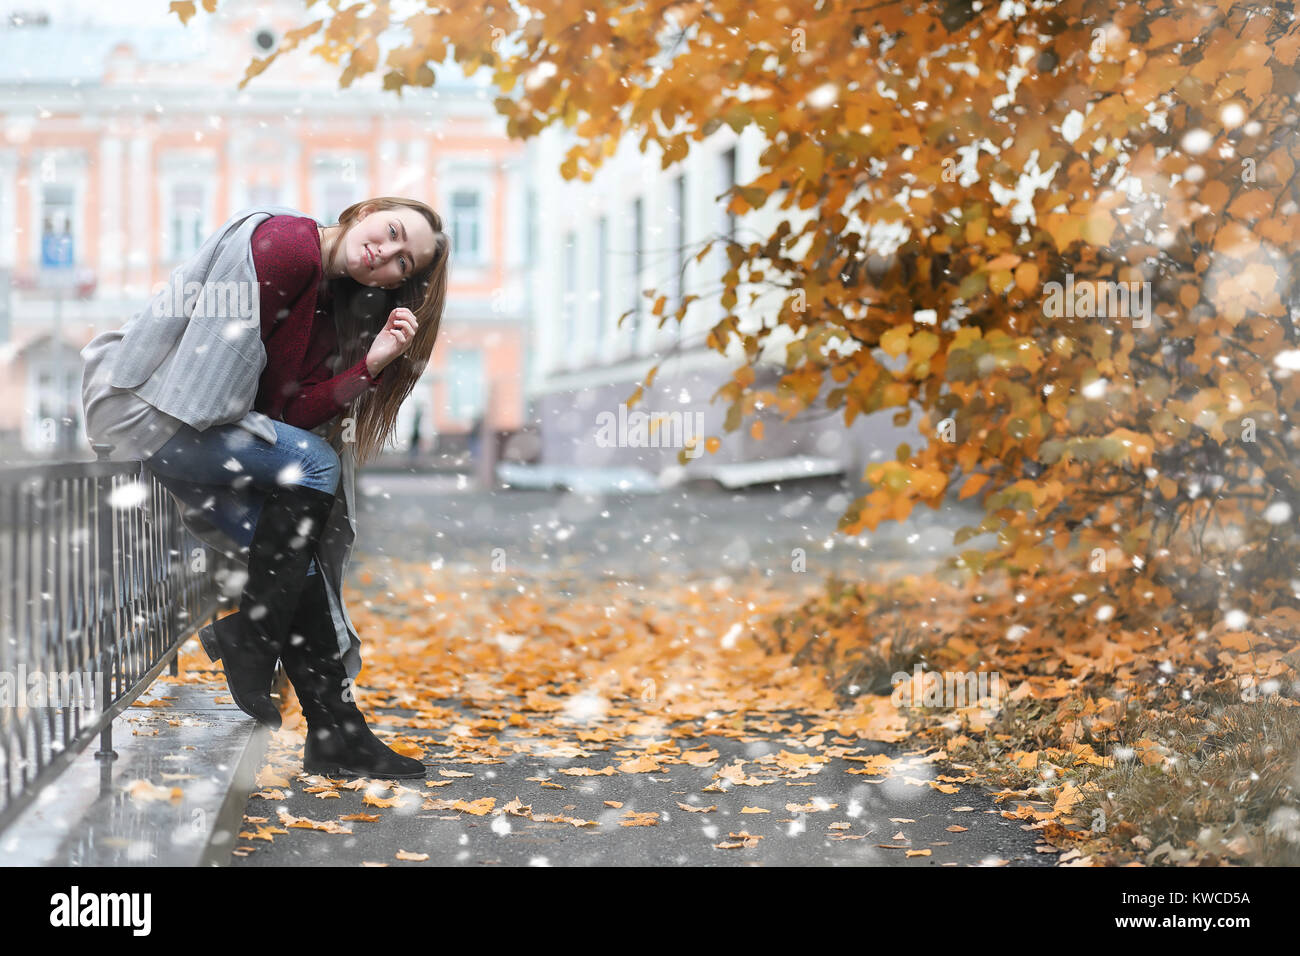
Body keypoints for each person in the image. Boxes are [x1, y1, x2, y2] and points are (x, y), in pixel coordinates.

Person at [80, 198, 450, 779]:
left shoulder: (328, 296)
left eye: (403, 263)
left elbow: (282, 411)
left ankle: (335, 733)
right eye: (392, 232)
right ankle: (251, 634)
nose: (386, 253)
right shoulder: (287, 247)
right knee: (315, 468)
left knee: (289, 556)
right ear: (370, 211)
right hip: (147, 412)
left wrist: (372, 362)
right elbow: (263, 409)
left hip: (188, 428)